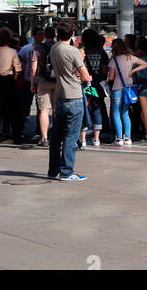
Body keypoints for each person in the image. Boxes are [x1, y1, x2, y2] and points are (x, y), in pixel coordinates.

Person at [47, 21, 91, 181]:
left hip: (60, 95)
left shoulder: (54, 48)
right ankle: (67, 171)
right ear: (72, 34)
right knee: (71, 137)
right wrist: (86, 76)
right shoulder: (73, 51)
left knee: (57, 135)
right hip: (74, 95)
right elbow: (85, 75)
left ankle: (53, 170)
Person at [107, 39, 147, 146]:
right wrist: (133, 71)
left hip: (117, 88)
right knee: (125, 112)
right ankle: (128, 138)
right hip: (128, 88)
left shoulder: (113, 60)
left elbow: (111, 78)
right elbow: (145, 64)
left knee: (115, 112)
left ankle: (119, 139)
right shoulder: (130, 57)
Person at [78, 28, 110, 149]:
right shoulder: (102, 53)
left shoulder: (82, 52)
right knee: (98, 108)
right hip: (98, 84)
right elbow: (105, 69)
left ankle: (83, 137)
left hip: (85, 84)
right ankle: (98, 136)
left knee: (84, 108)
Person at [32, 26, 57, 147]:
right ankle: (58, 135)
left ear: (45, 35)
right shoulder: (58, 47)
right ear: (55, 35)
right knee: (57, 109)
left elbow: (33, 67)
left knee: (44, 110)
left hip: (43, 80)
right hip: (58, 81)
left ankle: (44, 138)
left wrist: (33, 82)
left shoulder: (38, 48)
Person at [18, 29, 40, 133]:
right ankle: (21, 126)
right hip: (27, 79)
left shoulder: (45, 48)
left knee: (41, 106)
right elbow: (20, 63)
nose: (42, 36)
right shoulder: (25, 49)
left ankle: (39, 128)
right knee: (25, 104)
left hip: (41, 80)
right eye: (39, 34)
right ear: (34, 36)